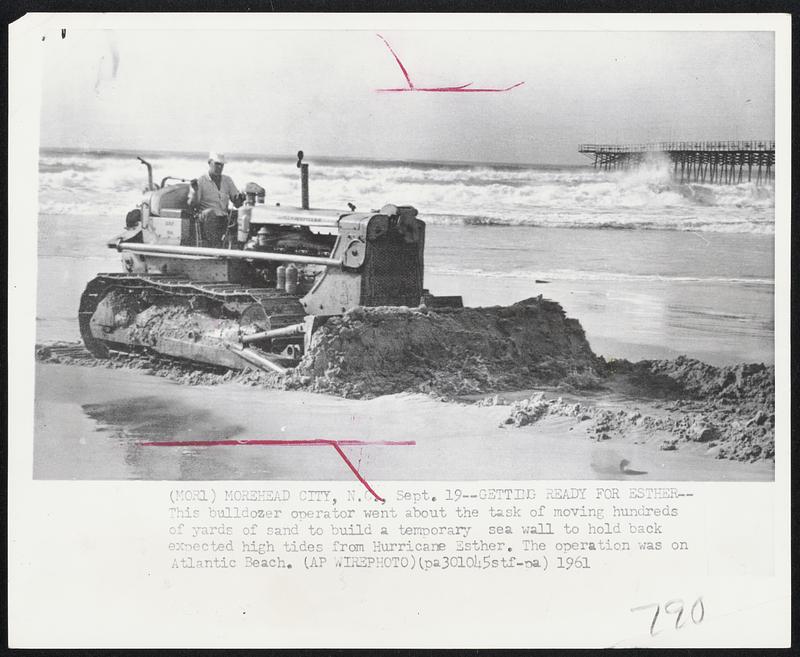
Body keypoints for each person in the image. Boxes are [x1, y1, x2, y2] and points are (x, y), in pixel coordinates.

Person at [188, 152, 245, 247]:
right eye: (217, 164)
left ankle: (240, 249)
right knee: (211, 213)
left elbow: (237, 203)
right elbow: (193, 205)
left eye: (222, 165)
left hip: (224, 216)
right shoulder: (200, 181)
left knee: (244, 215)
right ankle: (215, 247)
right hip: (206, 216)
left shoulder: (227, 180)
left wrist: (241, 198)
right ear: (209, 163)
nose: (219, 167)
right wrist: (194, 191)